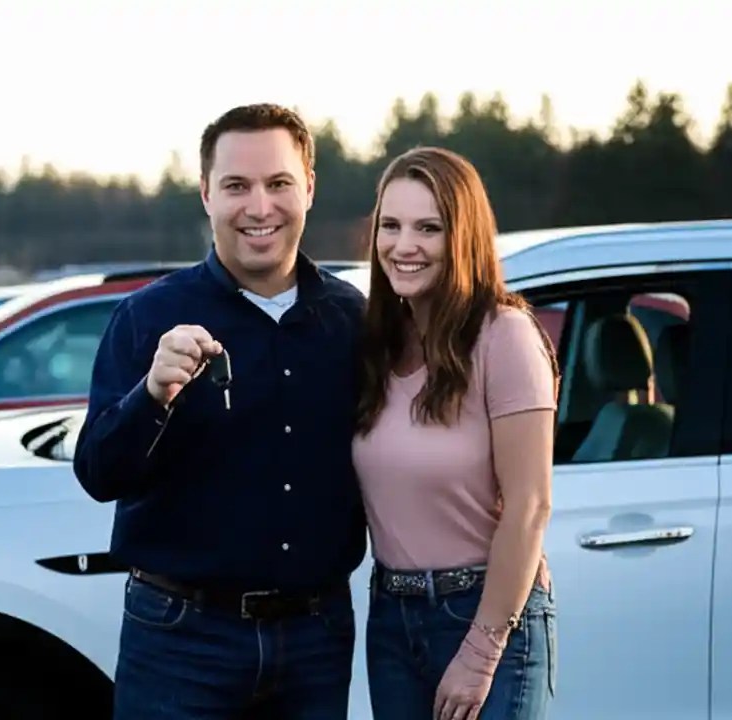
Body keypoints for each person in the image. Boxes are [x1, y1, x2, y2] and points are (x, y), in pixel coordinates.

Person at [73, 103, 368, 719]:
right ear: (206, 194)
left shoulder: (354, 320)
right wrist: (151, 395)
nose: (259, 207)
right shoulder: (148, 318)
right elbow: (99, 474)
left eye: (279, 183)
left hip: (316, 638)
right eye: (236, 186)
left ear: (308, 188)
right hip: (180, 639)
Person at [351, 147, 560, 720]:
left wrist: (482, 648)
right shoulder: (378, 346)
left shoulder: (505, 337)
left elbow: (531, 506)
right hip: (391, 616)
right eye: (389, 226)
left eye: (428, 228)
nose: (403, 245)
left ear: (462, 235)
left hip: (486, 613)